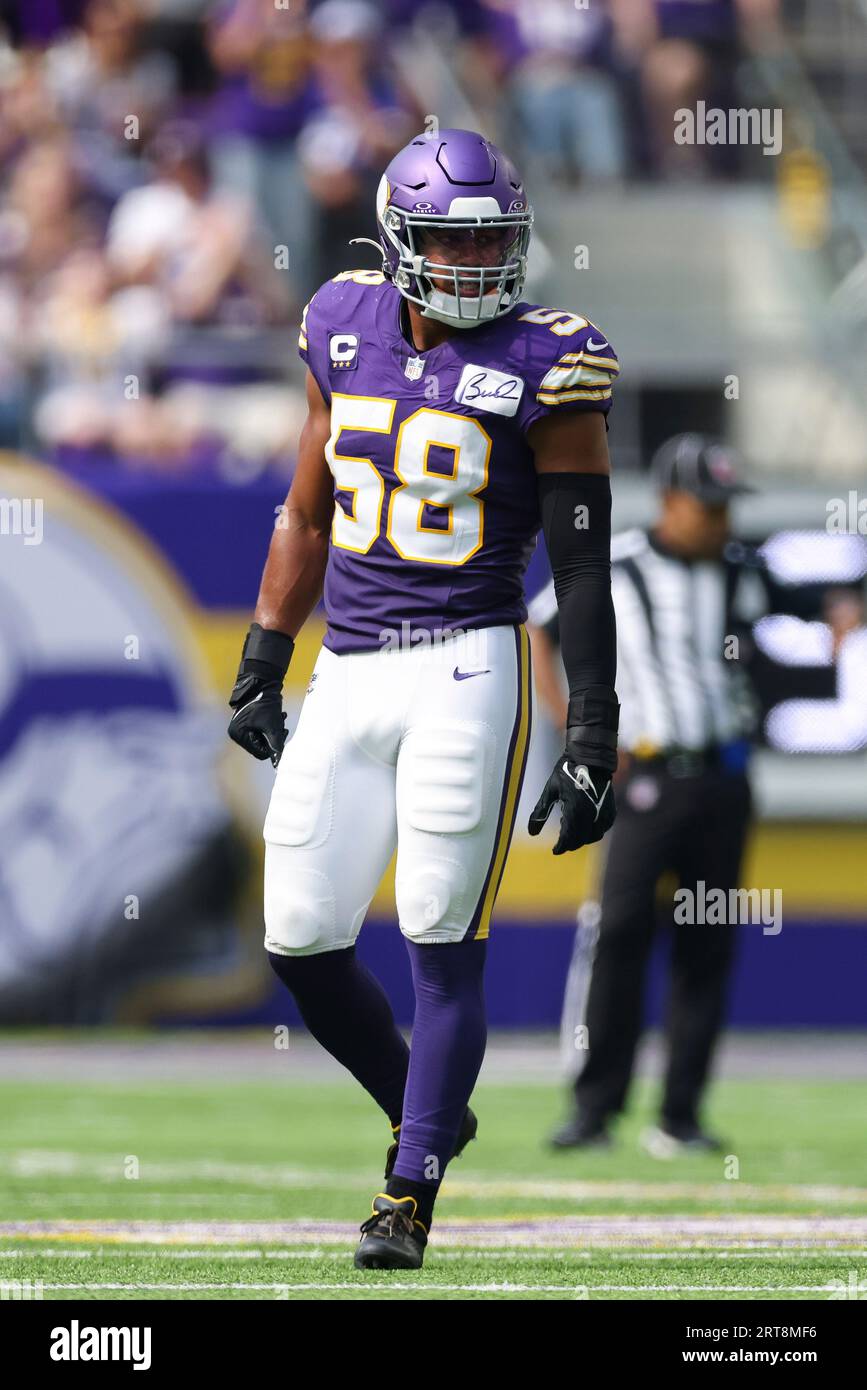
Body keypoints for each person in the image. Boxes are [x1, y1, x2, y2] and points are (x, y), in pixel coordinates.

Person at [226, 129, 621, 1268]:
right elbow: (307, 509)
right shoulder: (342, 324)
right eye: (450, 239)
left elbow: (581, 564)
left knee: (443, 938)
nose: (472, 261)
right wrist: (263, 653)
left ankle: (409, 1192)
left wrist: (591, 728)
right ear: (400, 239)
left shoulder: (554, 361)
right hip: (345, 666)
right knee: (300, 938)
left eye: (491, 239)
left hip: (466, 666)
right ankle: (427, 1109)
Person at [530, 433, 763, 1155]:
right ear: (669, 501)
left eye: (726, 507)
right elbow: (537, 631)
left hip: (723, 779)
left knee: (706, 949)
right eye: (708, 505)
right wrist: (581, 736)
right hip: (646, 778)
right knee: (620, 940)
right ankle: (593, 1111)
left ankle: (680, 1116)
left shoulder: (736, 571)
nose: (720, 521)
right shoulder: (616, 564)